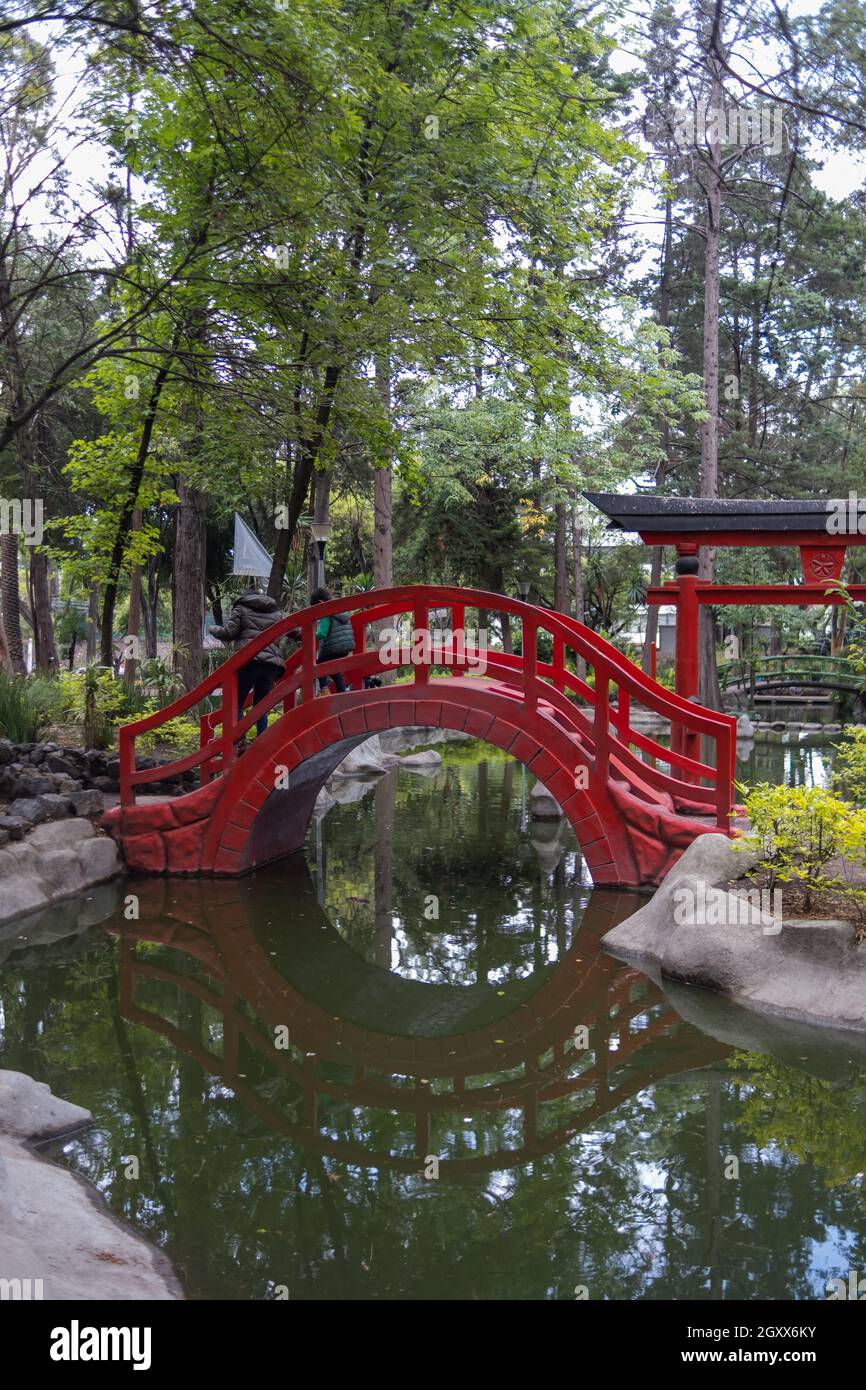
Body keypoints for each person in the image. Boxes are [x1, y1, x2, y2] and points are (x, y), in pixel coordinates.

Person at [209, 580, 285, 736]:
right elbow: (294, 629)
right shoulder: (277, 613)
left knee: (236, 701)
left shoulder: (241, 608)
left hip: (249, 662)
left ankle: (240, 740)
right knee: (261, 705)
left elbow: (229, 633)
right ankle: (262, 741)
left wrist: (213, 629)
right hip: (271, 665)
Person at [309, 586, 354, 693]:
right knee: (335, 672)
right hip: (346, 647)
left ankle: (324, 690)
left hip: (333, 647)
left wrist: (311, 636)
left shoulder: (326, 610)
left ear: (320, 603)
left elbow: (322, 633)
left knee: (320, 664)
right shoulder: (340, 608)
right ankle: (341, 693)